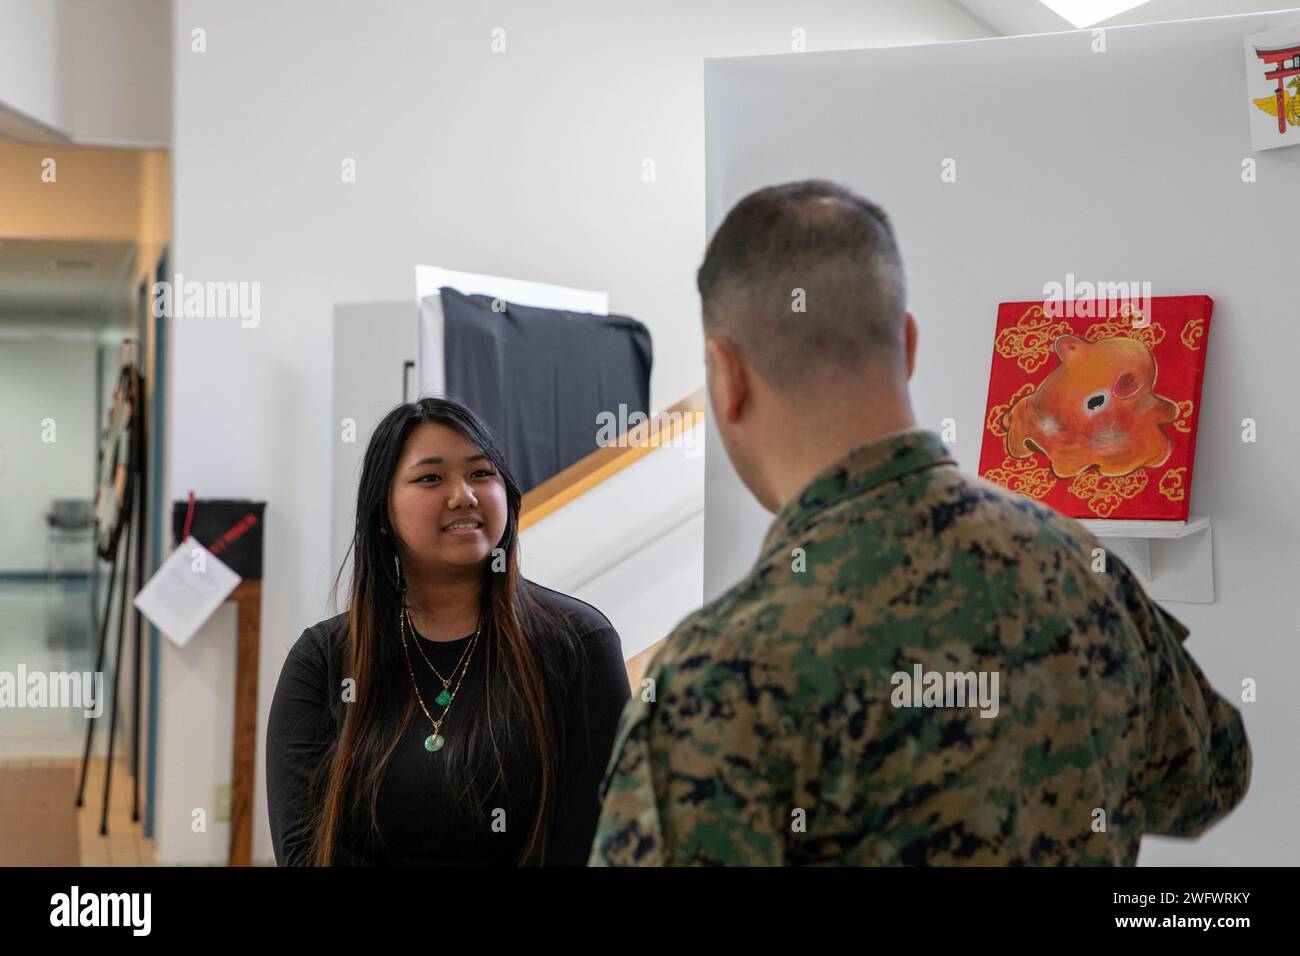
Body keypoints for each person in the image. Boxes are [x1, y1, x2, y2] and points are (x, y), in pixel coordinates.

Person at [589, 179, 1250, 866]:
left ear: (726, 376)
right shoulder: (1084, 569)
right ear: (907, 345)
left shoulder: (717, 677)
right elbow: (1212, 779)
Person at [268, 397, 630, 865]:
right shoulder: (323, 660)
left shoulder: (579, 643)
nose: (464, 495)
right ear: (382, 515)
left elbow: (597, 837)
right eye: (430, 478)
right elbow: (304, 851)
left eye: (481, 473)